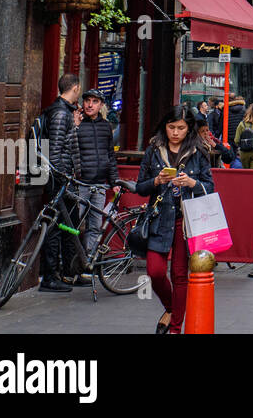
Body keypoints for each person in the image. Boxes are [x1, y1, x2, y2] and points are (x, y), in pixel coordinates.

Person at [135, 106, 214, 333]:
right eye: (171, 127)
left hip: (185, 221)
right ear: (165, 127)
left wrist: (192, 184)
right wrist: (156, 181)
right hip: (159, 219)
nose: (176, 132)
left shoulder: (198, 151)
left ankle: (176, 327)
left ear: (188, 129)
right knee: (155, 271)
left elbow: (209, 187)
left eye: (181, 128)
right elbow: (140, 187)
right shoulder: (154, 150)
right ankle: (171, 309)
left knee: (180, 274)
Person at [38, 74, 81, 292]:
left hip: (65, 177)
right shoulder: (60, 113)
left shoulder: (66, 112)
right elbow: (55, 149)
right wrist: (61, 177)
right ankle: (49, 276)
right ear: (75, 88)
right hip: (59, 179)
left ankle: (69, 272)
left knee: (70, 224)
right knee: (55, 226)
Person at [71, 90, 117, 276]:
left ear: (101, 105)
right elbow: (69, 147)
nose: (90, 105)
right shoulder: (77, 124)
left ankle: (87, 264)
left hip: (100, 185)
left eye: (95, 101)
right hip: (81, 184)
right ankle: (69, 264)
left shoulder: (106, 126)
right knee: (72, 225)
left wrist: (114, 180)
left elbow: (110, 156)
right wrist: (74, 127)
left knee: (94, 226)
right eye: (87, 101)